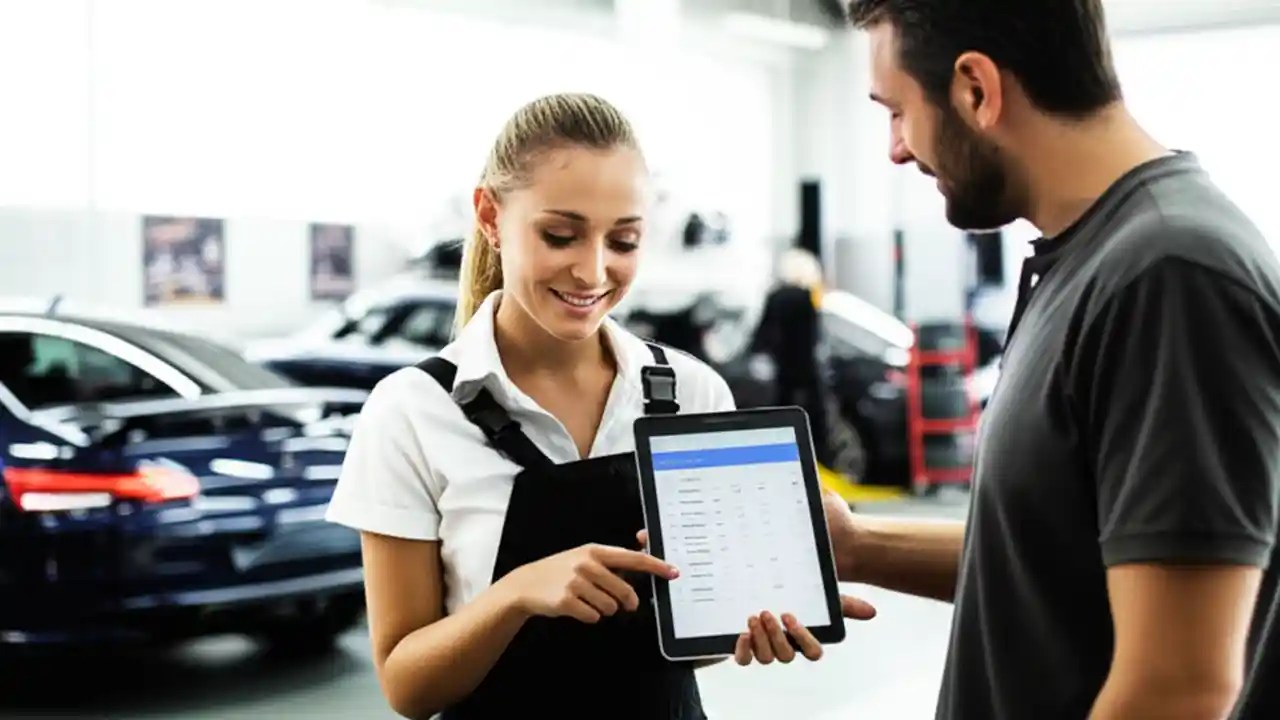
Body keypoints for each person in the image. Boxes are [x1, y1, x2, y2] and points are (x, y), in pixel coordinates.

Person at [324, 93, 872, 720]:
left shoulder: (691, 394)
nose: (592, 271)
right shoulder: (413, 412)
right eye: (561, 235)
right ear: (489, 216)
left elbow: (687, 644)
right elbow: (406, 686)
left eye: (624, 241)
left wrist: (751, 618)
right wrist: (516, 596)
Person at [822, 1, 1280, 718]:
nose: (897, 150)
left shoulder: (1170, 273)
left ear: (976, 88)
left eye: (897, 112)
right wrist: (857, 545)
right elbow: (1059, 552)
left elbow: (1179, 686)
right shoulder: (1095, 260)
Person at [751, 247, 833, 468]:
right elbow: (815, 337)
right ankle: (821, 468)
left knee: (781, 418)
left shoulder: (775, 296)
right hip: (807, 368)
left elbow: (763, 333)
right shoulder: (808, 298)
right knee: (817, 422)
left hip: (782, 370)